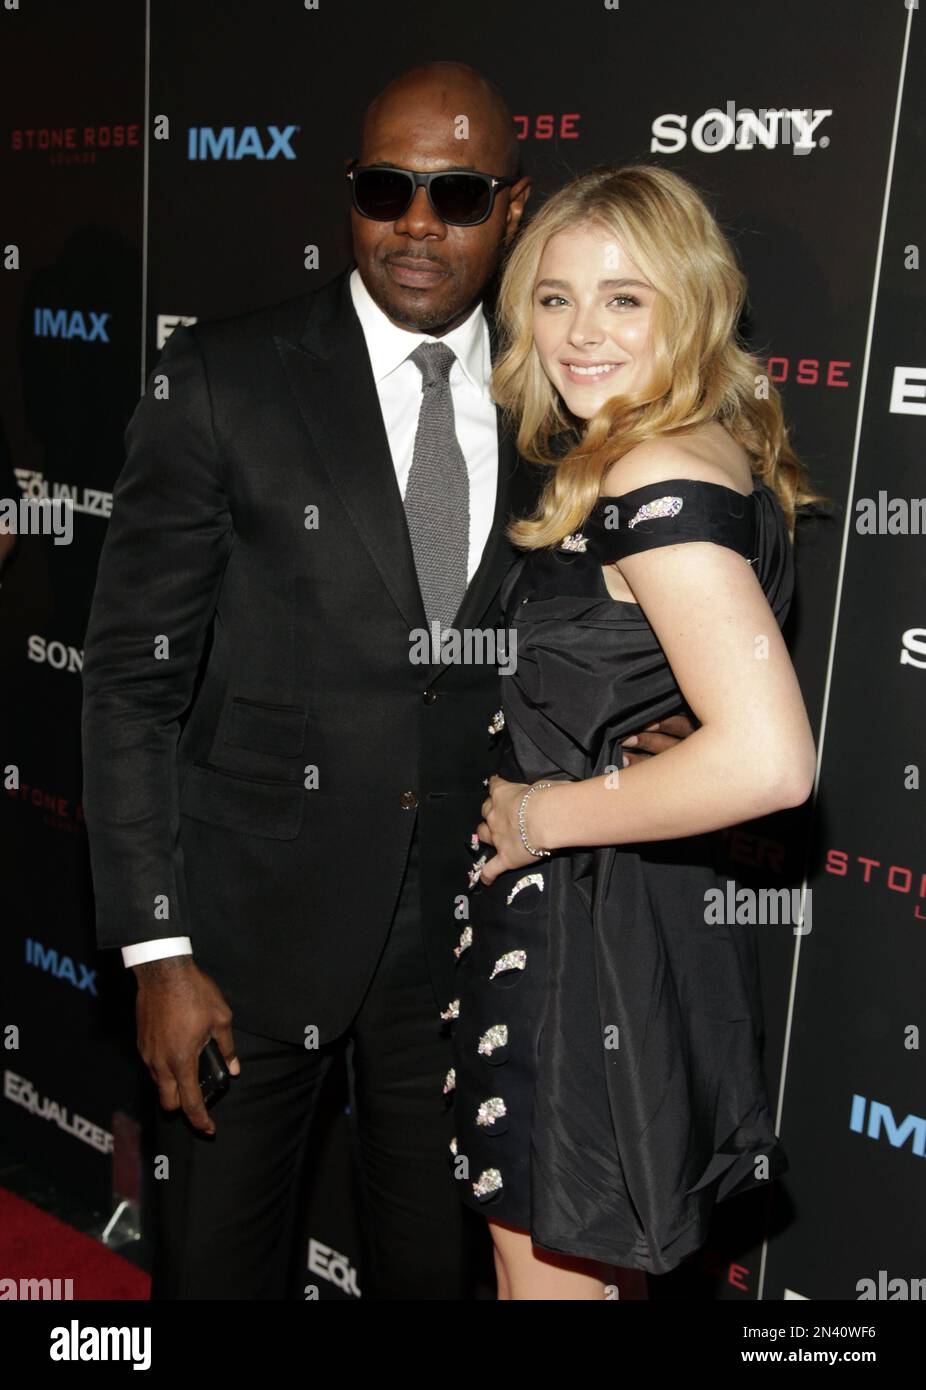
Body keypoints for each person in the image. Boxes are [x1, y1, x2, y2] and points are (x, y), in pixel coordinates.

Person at [80, 67, 693, 1300]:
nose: (418, 222)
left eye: (456, 194)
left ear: (510, 207)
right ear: (350, 197)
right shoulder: (222, 379)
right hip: (242, 943)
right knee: (214, 1269)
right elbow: (129, 687)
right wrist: (157, 946)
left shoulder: (564, 409)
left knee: (432, 1271)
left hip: (463, 938)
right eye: (386, 189)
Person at [449, 163, 821, 1300]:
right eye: (553, 297)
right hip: (640, 923)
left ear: (689, 301)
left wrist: (538, 814)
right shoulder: (704, 440)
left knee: (545, 1279)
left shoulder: (652, 467)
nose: (577, 332)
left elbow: (769, 758)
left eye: (622, 297)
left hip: (583, 940)